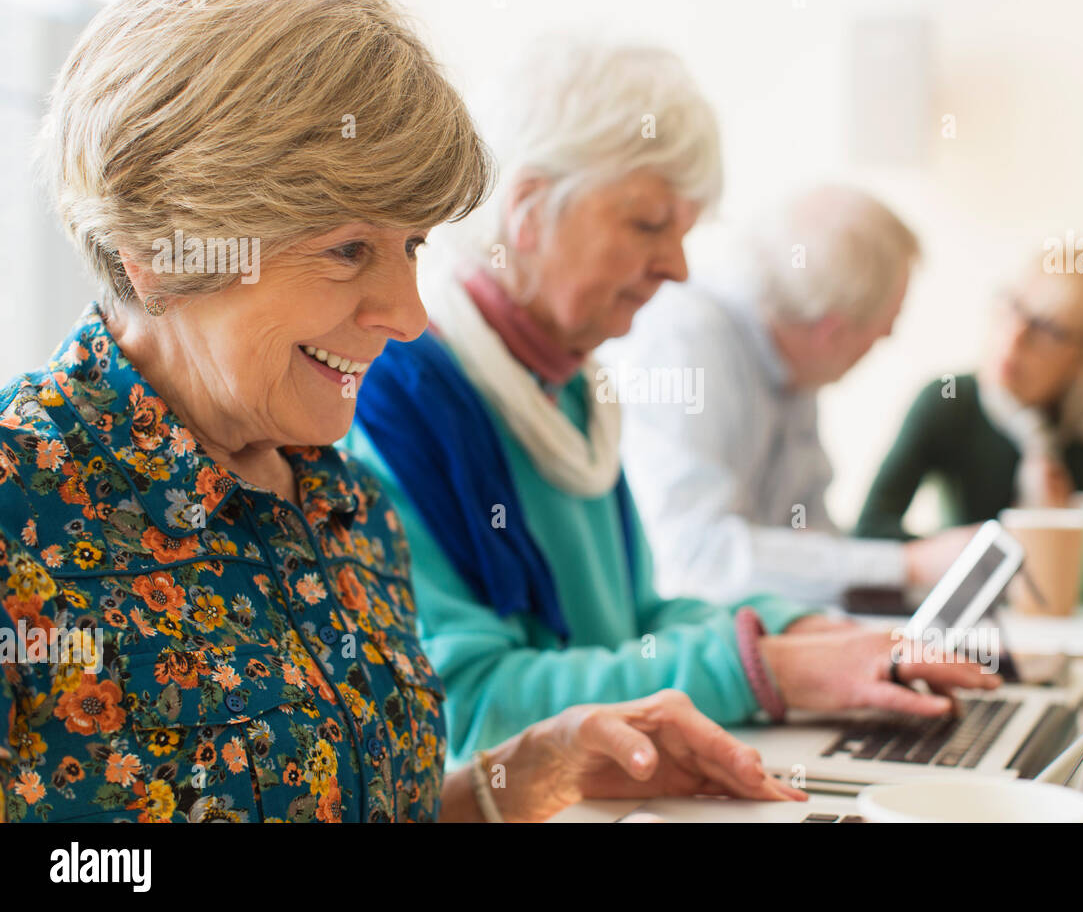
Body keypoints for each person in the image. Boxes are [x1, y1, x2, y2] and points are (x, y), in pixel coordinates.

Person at [0, 0, 804, 823]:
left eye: (413, 244)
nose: (410, 316)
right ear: (160, 248)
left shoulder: (349, 501)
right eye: (348, 249)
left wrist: (529, 772)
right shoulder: (19, 514)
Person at [345, 42, 999, 767]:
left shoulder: (567, 394)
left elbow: (635, 622)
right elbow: (464, 711)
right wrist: (764, 671)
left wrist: (794, 631)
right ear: (529, 211)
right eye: (650, 225)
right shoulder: (393, 401)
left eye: (683, 233)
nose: (678, 267)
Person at [607, 186, 975, 609]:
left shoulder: (795, 365)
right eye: (882, 329)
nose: (886, 338)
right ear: (830, 332)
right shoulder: (682, 342)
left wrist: (905, 580)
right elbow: (694, 560)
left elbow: (810, 534)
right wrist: (904, 565)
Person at [855, 256, 1083, 541]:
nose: (1013, 338)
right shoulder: (949, 401)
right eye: (1014, 307)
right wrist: (989, 547)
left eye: (1046, 328)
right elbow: (870, 531)